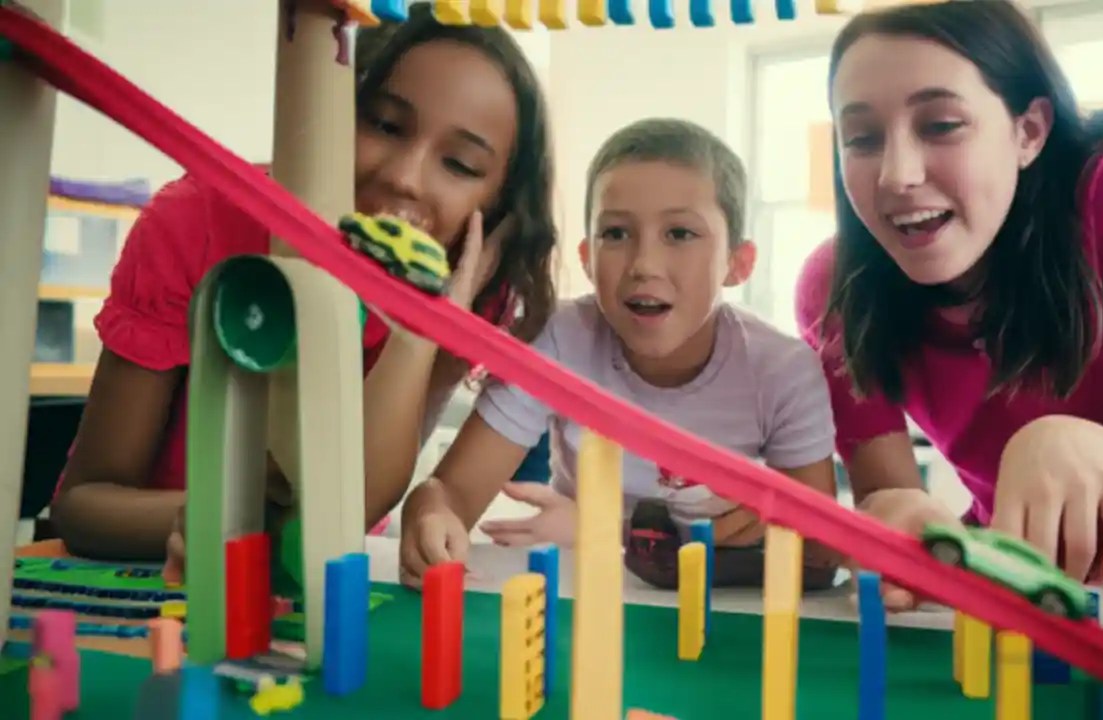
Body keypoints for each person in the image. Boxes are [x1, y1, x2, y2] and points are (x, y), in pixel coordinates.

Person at [49, 8, 560, 566]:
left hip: (304, 592)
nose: (404, 177)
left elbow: (351, 506)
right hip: (146, 577)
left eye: (459, 164)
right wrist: (216, 516)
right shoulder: (196, 220)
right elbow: (82, 504)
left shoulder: (469, 285)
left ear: (499, 211)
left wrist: (421, 330)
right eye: (386, 125)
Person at [795, 0, 1103, 609]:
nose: (896, 175)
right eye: (861, 138)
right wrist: (903, 525)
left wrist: (1100, 451)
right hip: (1018, 618)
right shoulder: (837, 287)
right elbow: (901, 519)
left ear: (1029, 132)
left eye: (941, 126)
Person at [399, 118, 840, 587]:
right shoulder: (556, 338)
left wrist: (607, 532)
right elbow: (448, 494)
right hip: (581, 599)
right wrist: (430, 515)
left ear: (738, 262)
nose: (643, 265)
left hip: (715, 609)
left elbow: (820, 555)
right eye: (615, 234)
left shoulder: (784, 370)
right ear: (587, 259)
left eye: (680, 234)